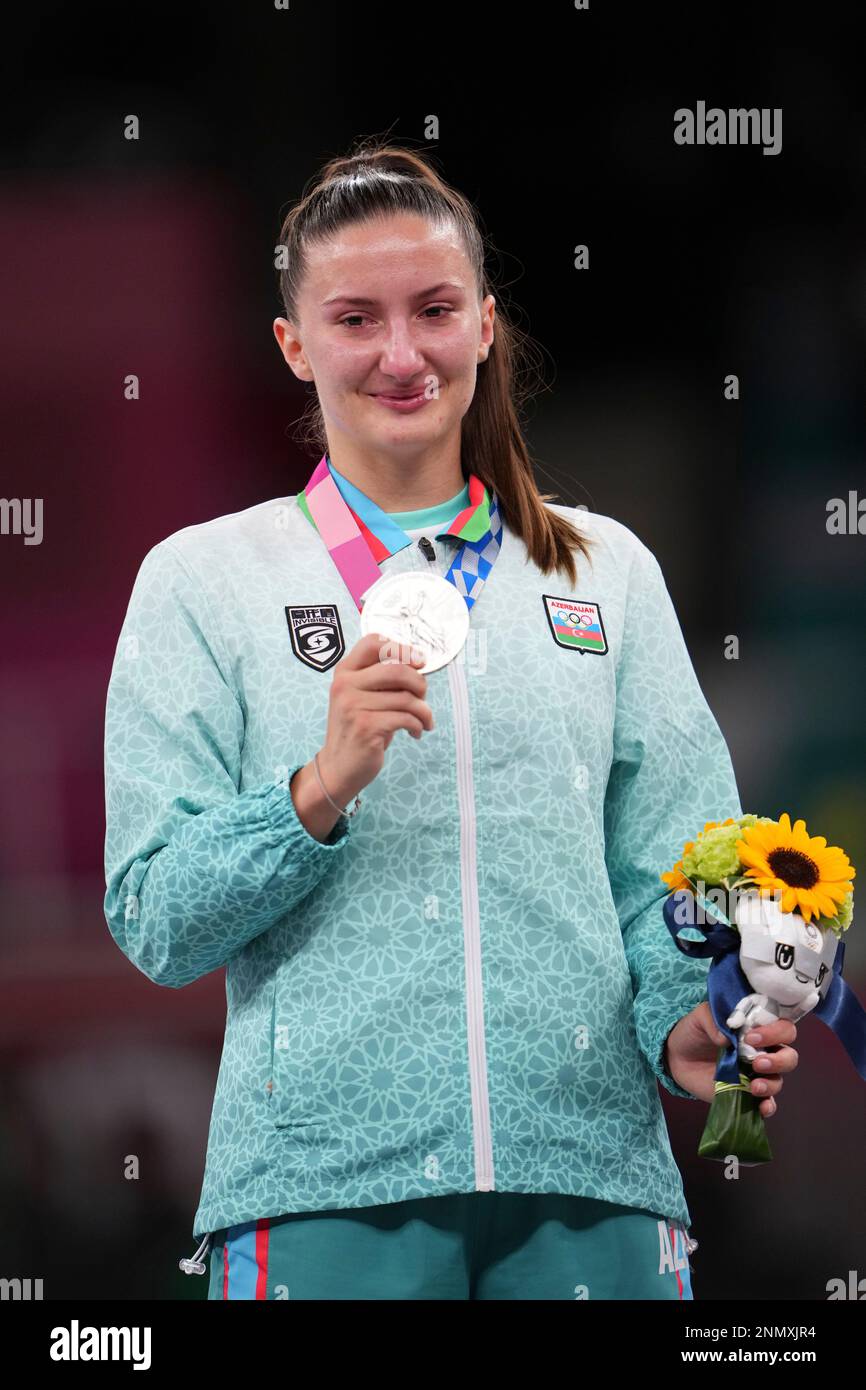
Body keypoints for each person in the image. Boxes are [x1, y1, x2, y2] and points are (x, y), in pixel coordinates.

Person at [102, 140, 798, 1300]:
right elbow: (154, 915)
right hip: (323, 1184)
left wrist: (690, 1025)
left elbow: (678, 869)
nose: (399, 353)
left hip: (588, 1176)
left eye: (432, 310)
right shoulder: (204, 580)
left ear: (482, 323)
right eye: (354, 318)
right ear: (293, 343)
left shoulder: (603, 569)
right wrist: (314, 789)